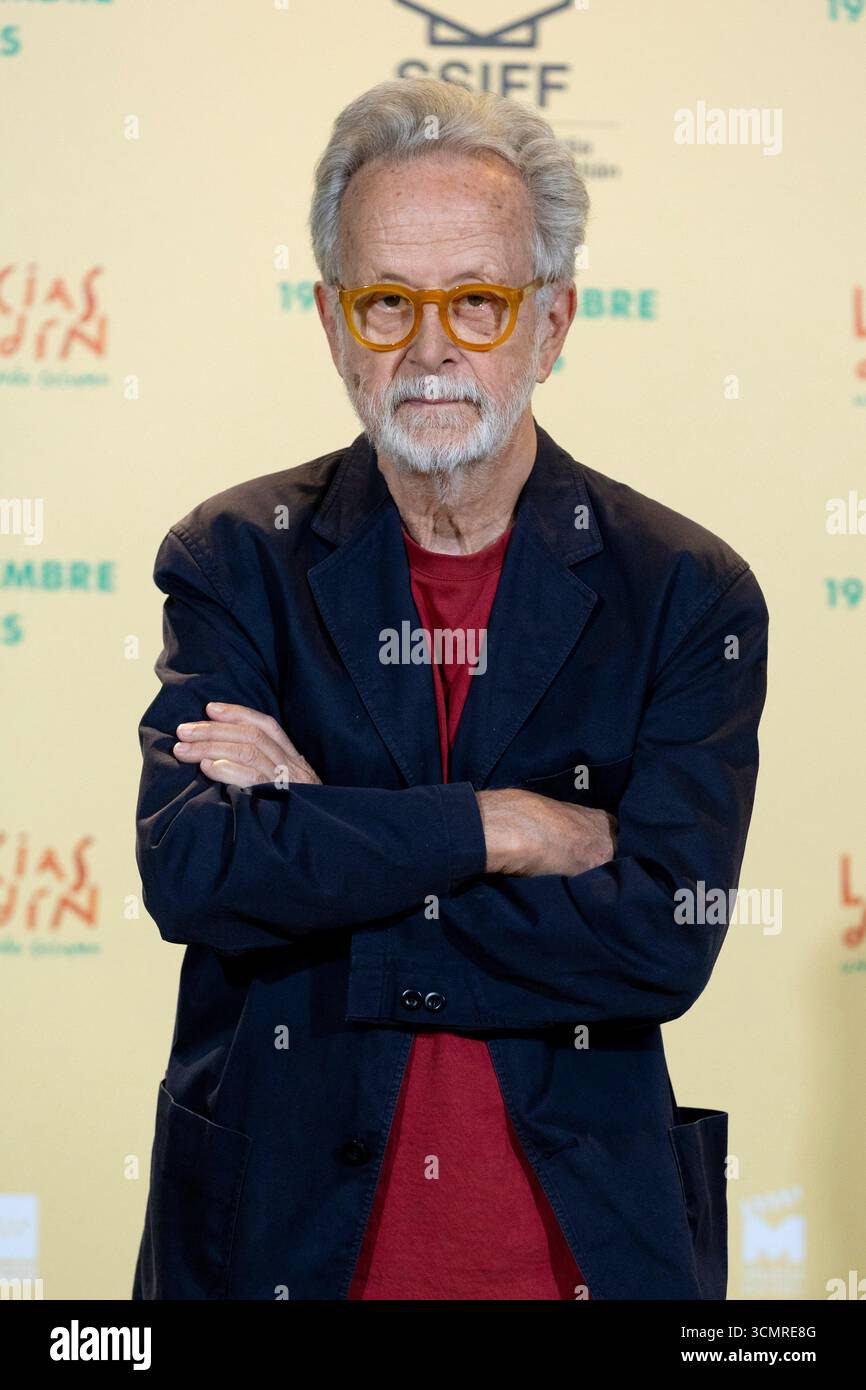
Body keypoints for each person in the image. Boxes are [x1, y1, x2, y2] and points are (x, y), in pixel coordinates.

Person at [132, 76, 768, 1301]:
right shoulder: (236, 556)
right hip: (276, 1248)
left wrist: (328, 840)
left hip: (579, 1250)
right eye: (386, 302)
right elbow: (199, 870)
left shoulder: (685, 591)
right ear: (331, 322)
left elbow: (657, 942)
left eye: (476, 300)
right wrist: (502, 827)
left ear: (552, 320)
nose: (429, 348)